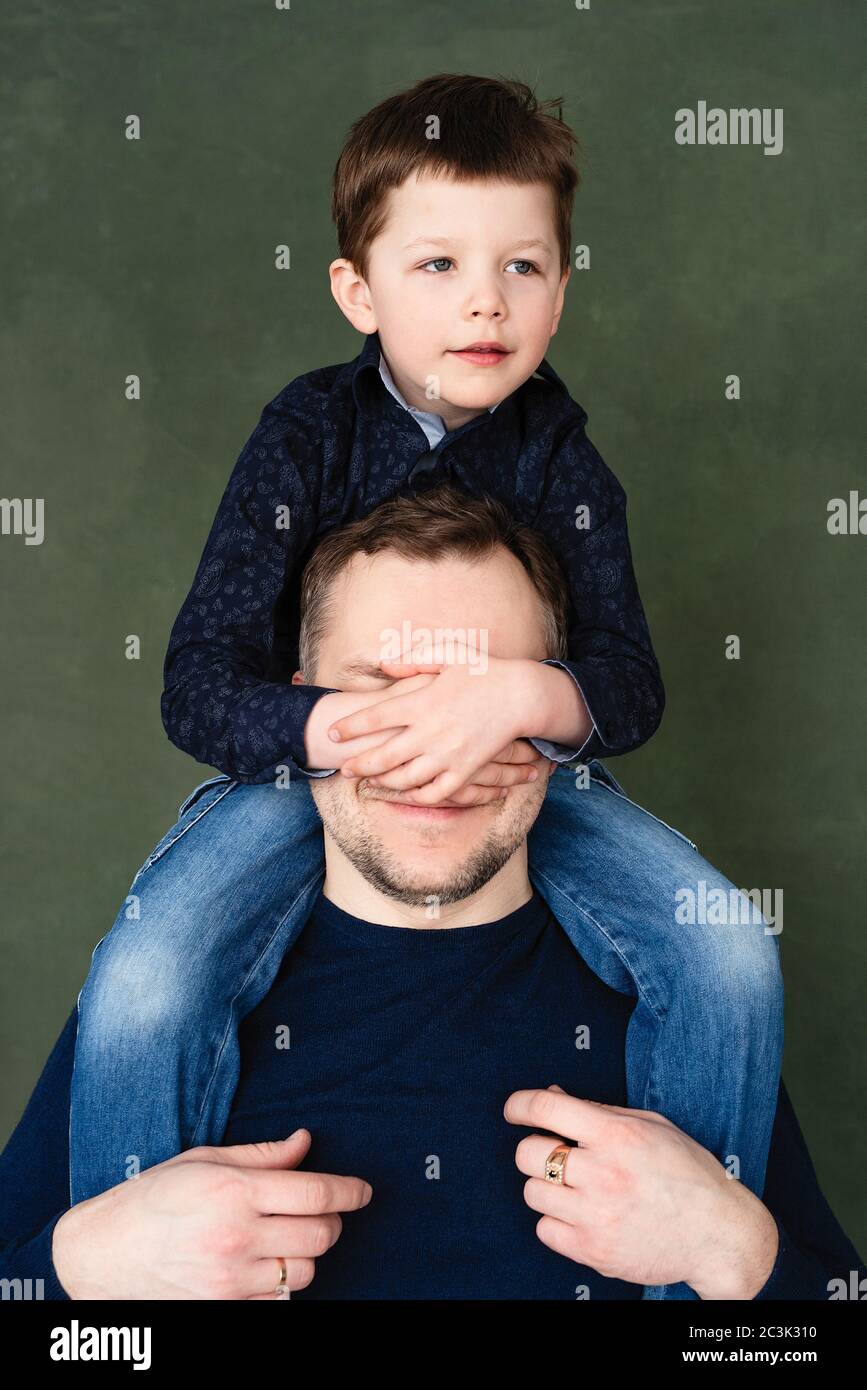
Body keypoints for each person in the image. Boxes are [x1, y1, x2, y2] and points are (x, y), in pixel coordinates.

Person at [68, 75, 783, 1302]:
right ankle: (142, 1286)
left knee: (730, 959)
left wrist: (522, 701)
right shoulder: (306, 434)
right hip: (310, 777)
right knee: (145, 978)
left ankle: (683, 1279)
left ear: (563, 286)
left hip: (525, 780)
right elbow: (196, 684)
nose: (486, 303)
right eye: (440, 265)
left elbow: (630, 682)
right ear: (359, 290)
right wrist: (332, 726)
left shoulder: (565, 458)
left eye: (523, 267)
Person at [1, 489, 862, 1300]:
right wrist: (87, 1268)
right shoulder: (161, 1005)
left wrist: (734, 1253)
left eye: (484, 697)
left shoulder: (683, 1010)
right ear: (294, 713)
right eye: (380, 687)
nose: (434, 749)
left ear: (563, 719)